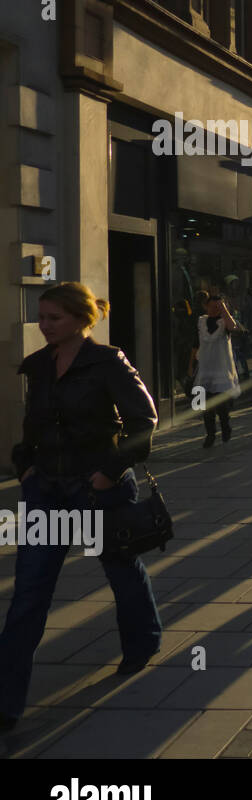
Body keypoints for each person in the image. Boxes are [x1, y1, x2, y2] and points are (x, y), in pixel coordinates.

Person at [2, 283, 162, 731]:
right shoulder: (38, 367)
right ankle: (6, 701)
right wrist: (24, 465)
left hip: (97, 488)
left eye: (53, 317)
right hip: (46, 491)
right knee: (29, 594)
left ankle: (142, 642)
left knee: (121, 571)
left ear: (78, 319)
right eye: (42, 316)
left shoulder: (107, 361)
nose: (44, 325)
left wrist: (110, 470)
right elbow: (32, 424)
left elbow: (143, 418)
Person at [191, 292, 242, 447]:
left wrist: (224, 309)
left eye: (217, 306)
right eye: (212, 306)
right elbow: (195, 344)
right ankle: (210, 435)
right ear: (206, 306)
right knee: (205, 407)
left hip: (222, 371)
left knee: (221, 406)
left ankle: (226, 427)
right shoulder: (201, 322)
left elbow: (233, 327)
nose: (214, 309)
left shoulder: (224, 323)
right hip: (205, 370)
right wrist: (191, 365)